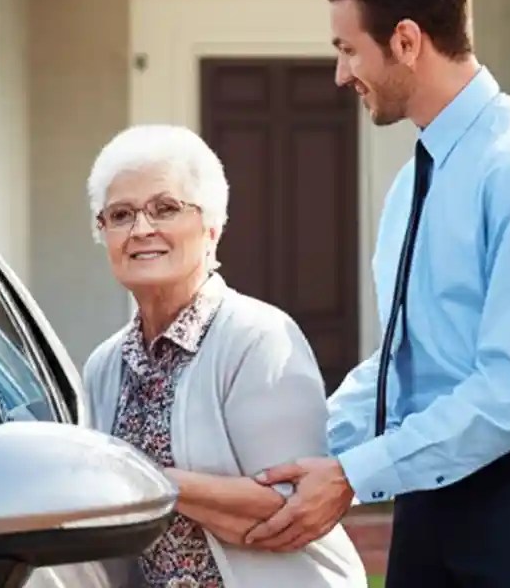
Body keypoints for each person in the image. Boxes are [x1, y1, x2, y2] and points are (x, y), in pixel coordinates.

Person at [243, 0, 510, 587]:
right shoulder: (415, 181)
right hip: (432, 491)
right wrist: (291, 452)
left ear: (408, 41)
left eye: (348, 49)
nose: (340, 75)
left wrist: (355, 474)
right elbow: (402, 365)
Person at [81, 124, 367, 588]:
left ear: (212, 227)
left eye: (165, 208)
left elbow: (289, 511)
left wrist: (138, 479)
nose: (141, 229)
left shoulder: (259, 338)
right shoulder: (105, 366)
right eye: (120, 215)